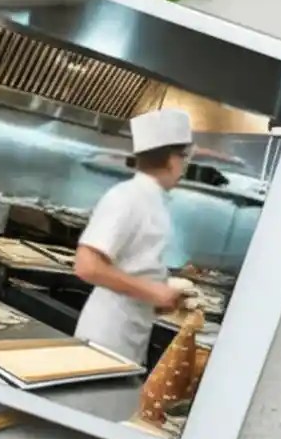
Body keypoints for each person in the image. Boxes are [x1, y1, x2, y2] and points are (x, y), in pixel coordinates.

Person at [73, 107, 193, 365]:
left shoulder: (154, 200)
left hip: (131, 333)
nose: (184, 166)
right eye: (185, 157)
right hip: (106, 335)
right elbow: (87, 266)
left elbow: (136, 267)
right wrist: (152, 292)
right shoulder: (126, 197)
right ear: (173, 160)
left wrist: (158, 297)